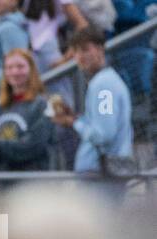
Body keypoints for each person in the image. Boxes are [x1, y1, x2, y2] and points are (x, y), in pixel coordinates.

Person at [50, 27, 134, 182]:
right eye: (75, 52)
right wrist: (76, 117)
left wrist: (73, 122)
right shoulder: (104, 81)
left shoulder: (104, 86)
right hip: (101, 173)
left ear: (100, 49)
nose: (80, 57)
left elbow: (103, 135)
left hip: (100, 175)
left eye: (85, 50)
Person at [0, 47, 53, 170]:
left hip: (33, 183)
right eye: (9, 68)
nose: (15, 72)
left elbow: (33, 146)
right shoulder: (0, 107)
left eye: (20, 67)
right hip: (4, 183)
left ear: (31, 69)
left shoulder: (42, 105)